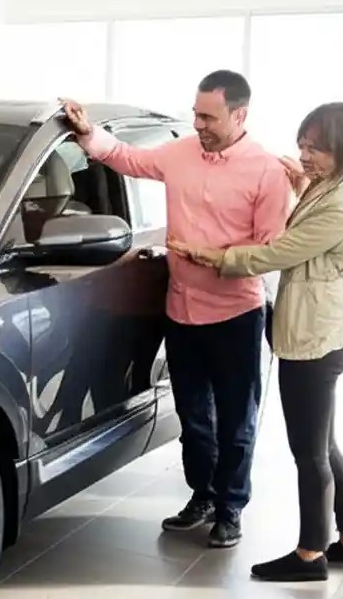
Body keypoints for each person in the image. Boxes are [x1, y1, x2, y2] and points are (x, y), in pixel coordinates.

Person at [62, 70, 292, 548]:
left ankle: (231, 508)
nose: (198, 123)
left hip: (236, 314)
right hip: (181, 310)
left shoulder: (266, 171)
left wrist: (216, 258)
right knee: (193, 416)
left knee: (236, 421)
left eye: (208, 116)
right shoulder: (181, 152)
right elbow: (128, 158)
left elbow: (271, 249)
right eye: (196, 112)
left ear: (239, 114)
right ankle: (202, 496)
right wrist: (87, 134)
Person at [168, 102, 343, 581]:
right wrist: (303, 187)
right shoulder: (333, 186)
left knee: (310, 453)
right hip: (326, 331)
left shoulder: (341, 205)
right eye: (303, 144)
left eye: (315, 149)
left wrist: (210, 255)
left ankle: (310, 555)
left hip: (313, 339)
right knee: (325, 443)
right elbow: (304, 222)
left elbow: (279, 252)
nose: (304, 156)